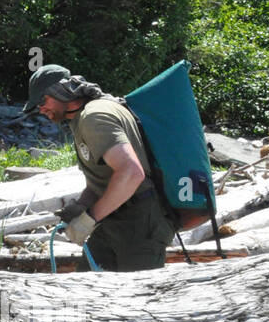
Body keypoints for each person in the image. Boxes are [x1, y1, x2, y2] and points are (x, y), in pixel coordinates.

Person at [21, 63, 175, 271]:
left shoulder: (94, 117)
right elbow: (108, 177)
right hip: (114, 219)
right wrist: (81, 205)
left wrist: (89, 219)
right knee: (89, 291)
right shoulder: (86, 115)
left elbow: (131, 173)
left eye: (43, 100)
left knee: (138, 300)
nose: (41, 108)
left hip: (140, 225)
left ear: (61, 91)